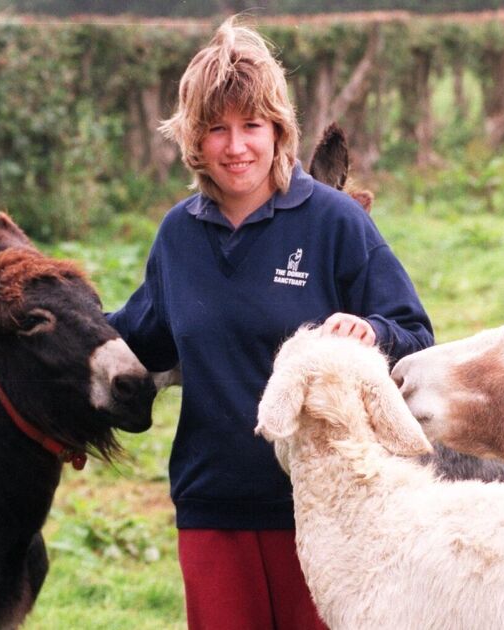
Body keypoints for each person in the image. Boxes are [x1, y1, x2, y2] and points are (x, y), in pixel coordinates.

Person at [107, 16, 433, 630]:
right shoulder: (179, 236)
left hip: (325, 508)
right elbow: (135, 341)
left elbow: (413, 332)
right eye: (216, 129)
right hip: (211, 508)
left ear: (278, 130)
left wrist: (375, 333)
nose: (236, 147)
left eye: (252, 126)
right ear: (192, 139)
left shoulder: (334, 222)